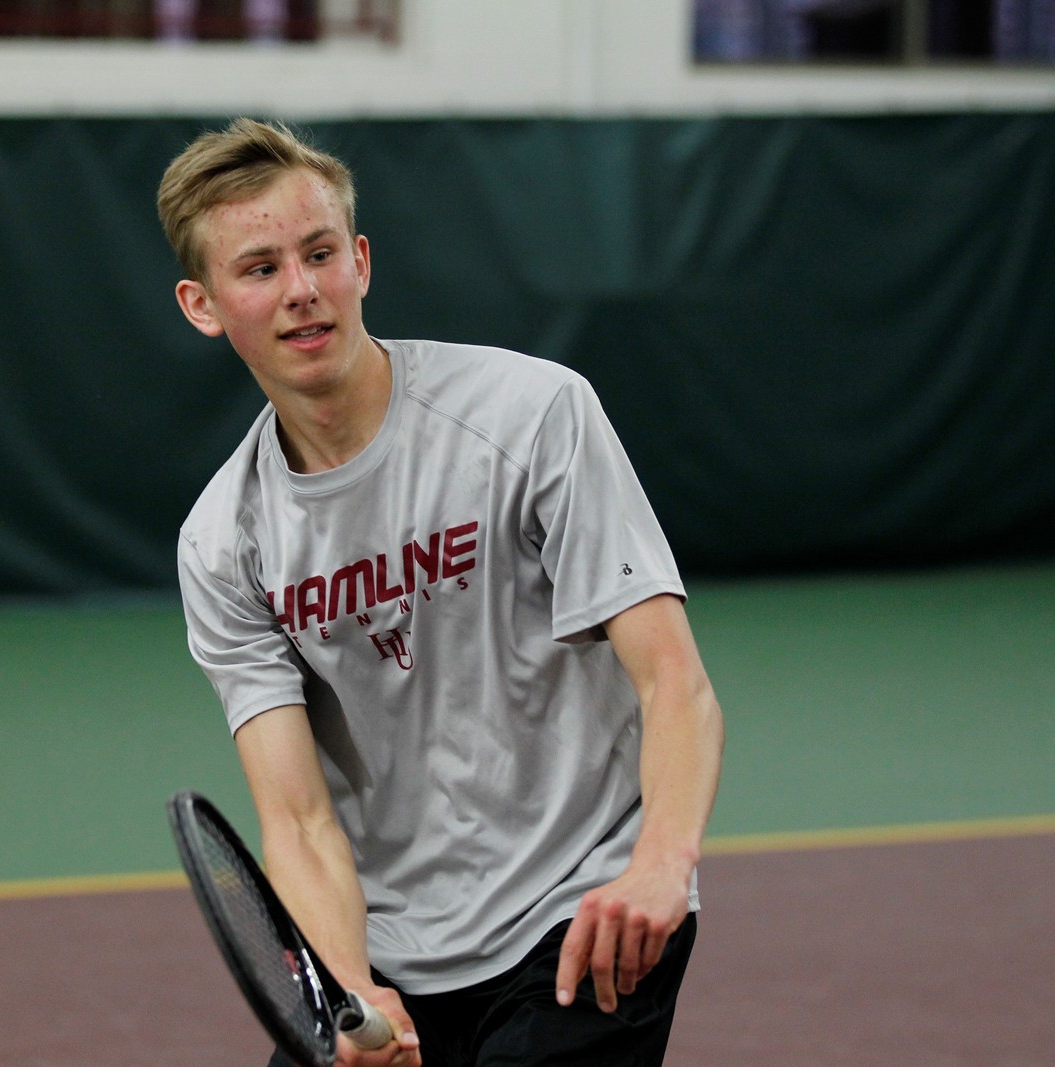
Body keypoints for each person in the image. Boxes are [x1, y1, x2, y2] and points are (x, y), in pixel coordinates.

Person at [157, 118, 725, 1067]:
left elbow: (676, 683)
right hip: (394, 955)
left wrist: (662, 866)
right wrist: (348, 986)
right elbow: (297, 818)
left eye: (320, 252)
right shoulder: (224, 542)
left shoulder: (533, 413)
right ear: (203, 304)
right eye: (259, 269)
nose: (301, 290)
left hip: (580, 912)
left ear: (361, 261)